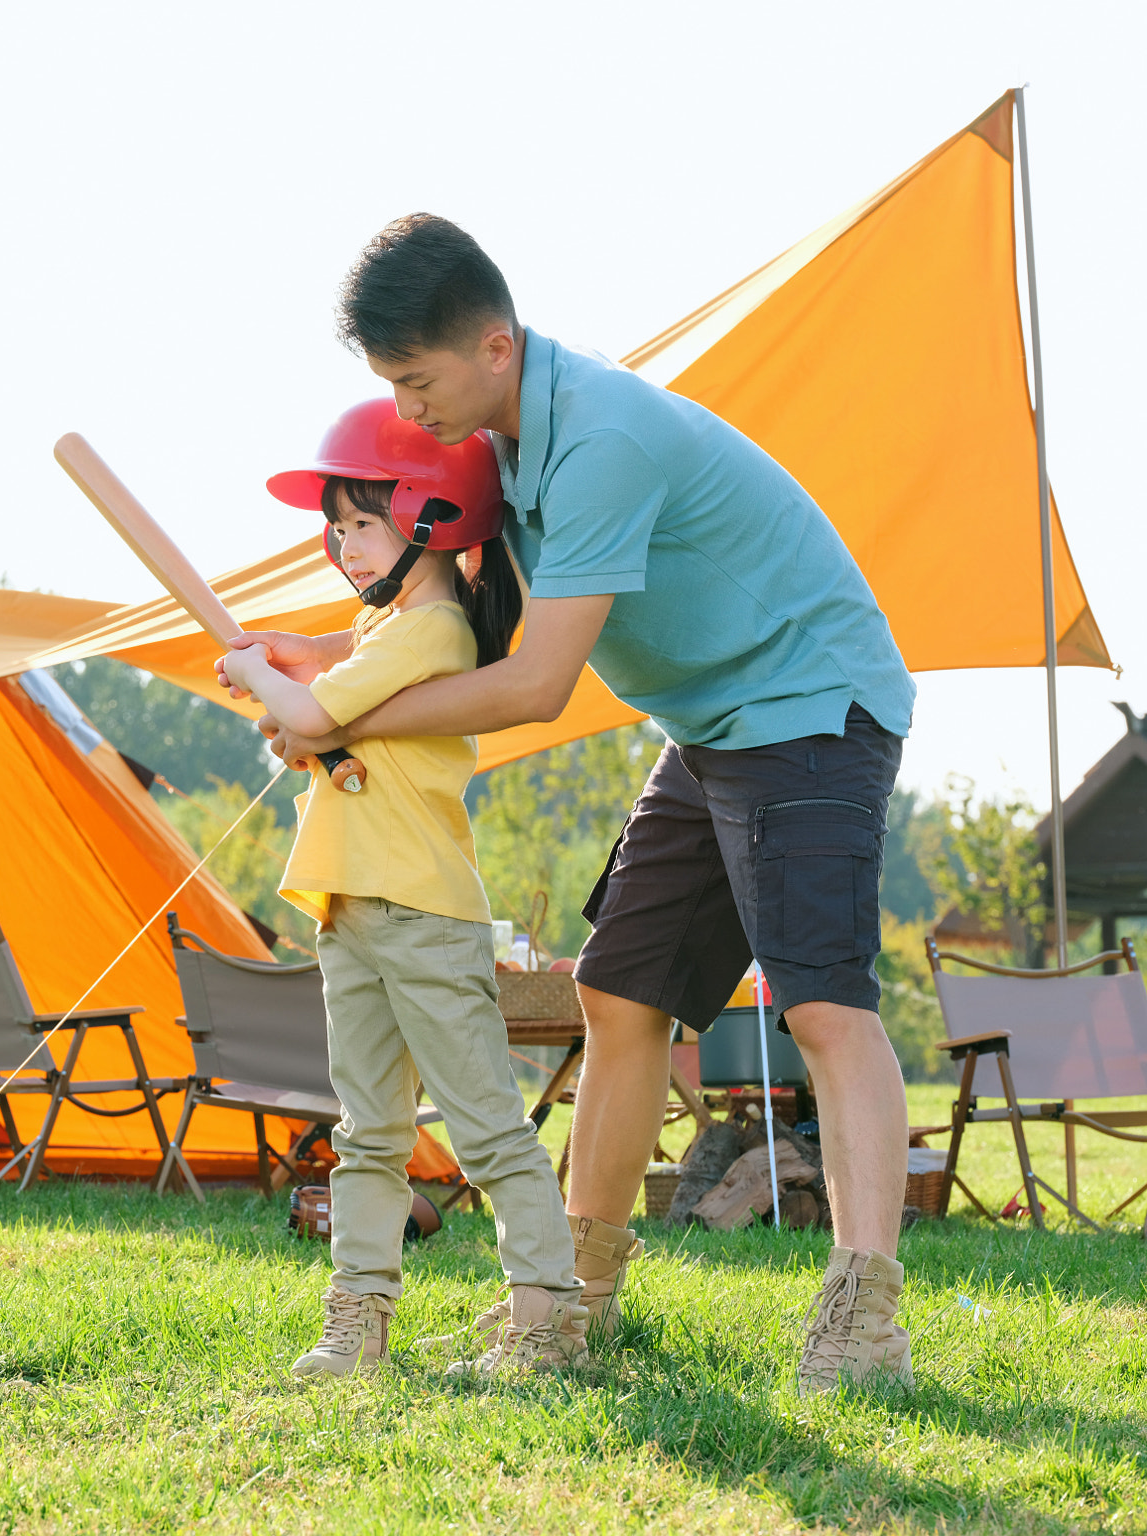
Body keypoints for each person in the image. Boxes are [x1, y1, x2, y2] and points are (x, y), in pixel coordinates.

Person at [228, 215, 918, 1394]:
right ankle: (578, 1300)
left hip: (808, 709)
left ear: (492, 346)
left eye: (415, 381)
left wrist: (334, 719)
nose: (407, 410)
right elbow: (461, 629)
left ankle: (864, 1322)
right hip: (707, 727)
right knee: (618, 988)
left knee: (820, 1009)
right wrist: (327, 666)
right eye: (389, 385)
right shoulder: (500, 449)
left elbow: (536, 687)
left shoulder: (595, 441)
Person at [222, 399, 585, 1381]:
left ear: (429, 521)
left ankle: (545, 1322)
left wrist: (264, 678)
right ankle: (357, 1321)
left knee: (483, 1127)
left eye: (360, 520)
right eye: (332, 525)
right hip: (350, 909)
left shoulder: (427, 632)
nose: (340, 543)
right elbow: (318, 721)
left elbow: (307, 706)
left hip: (421, 915)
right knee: (369, 1133)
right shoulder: (379, 630)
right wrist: (297, 717)